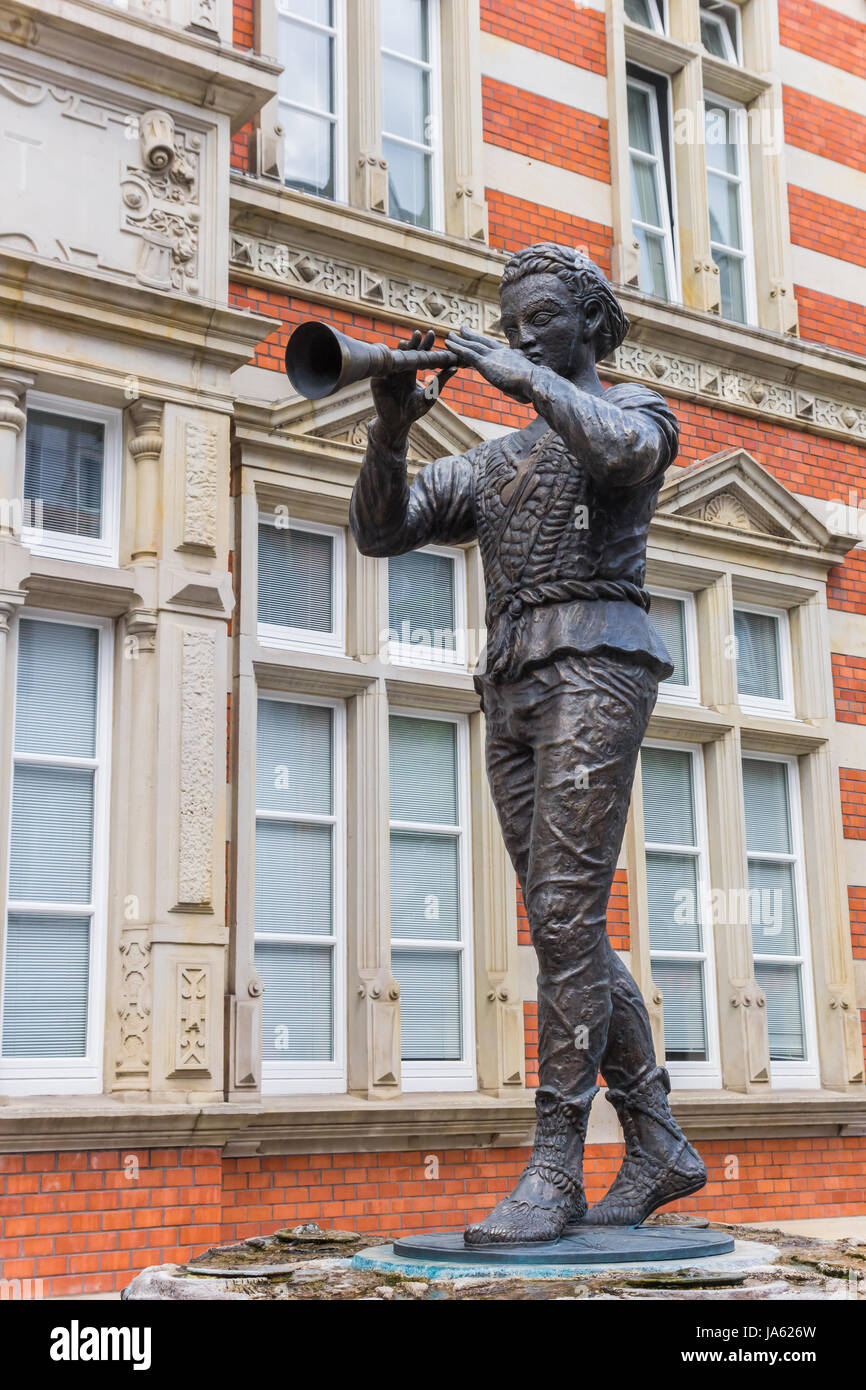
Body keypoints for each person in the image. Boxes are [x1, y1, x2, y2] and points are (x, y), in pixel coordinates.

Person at [349, 243, 706, 1243]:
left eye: (539, 315)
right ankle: (657, 1140)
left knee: (557, 909)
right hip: (509, 684)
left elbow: (621, 458)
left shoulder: (638, 413)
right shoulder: (492, 462)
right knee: (565, 922)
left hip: (597, 661)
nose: (516, 332)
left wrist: (529, 380)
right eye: (509, 319)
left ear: (590, 321)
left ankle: (555, 1164)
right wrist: (386, 431)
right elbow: (382, 531)